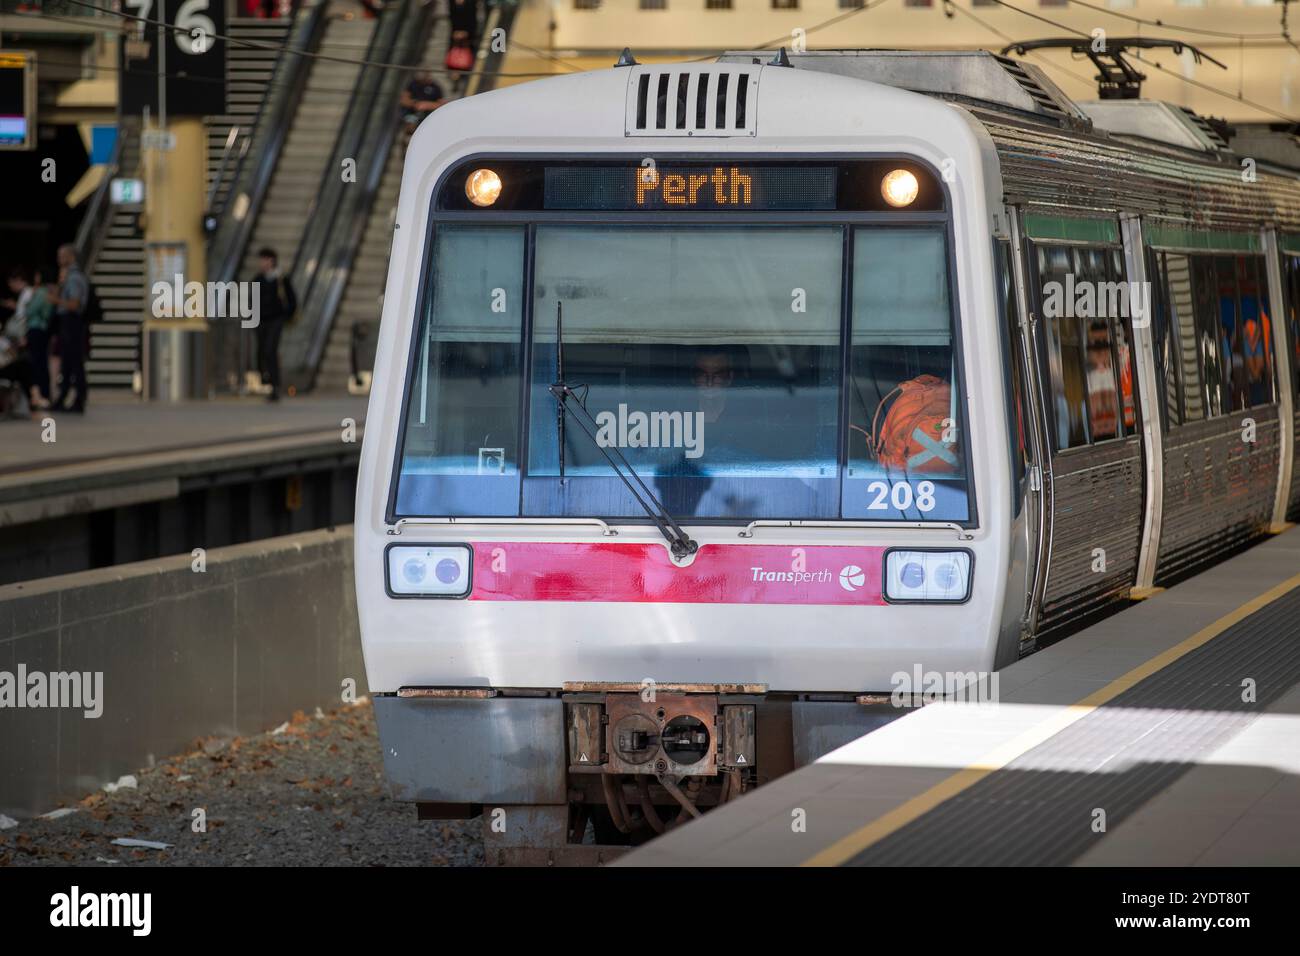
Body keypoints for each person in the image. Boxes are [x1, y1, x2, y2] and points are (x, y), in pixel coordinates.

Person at [0, 267, 52, 409]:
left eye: (12, 283)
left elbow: (26, 314)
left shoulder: (33, 293)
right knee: (30, 365)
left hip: (32, 332)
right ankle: (36, 397)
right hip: (29, 333)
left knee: (33, 364)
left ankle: (38, 396)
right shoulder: (32, 293)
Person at [46, 245, 89, 413]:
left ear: (71, 257)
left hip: (73, 322)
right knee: (68, 362)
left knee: (74, 361)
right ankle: (64, 397)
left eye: (62, 255)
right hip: (67, 323)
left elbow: (74, 304)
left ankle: (78, 398)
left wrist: (55, 300)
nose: (59, 259)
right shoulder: (67, 277)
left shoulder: (75, 278)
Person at [253, 247, 296, 402]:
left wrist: (285, 315)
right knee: (262, 351)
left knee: (271, 349)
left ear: (271, 261)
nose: (261, 263)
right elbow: (251, 299)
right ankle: (267, 378)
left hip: (276, 320)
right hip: (261, 321)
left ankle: (275, 386)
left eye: (264, 259)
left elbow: (292, 300)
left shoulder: (281, 279)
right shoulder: (258, 279)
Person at [400, 69, 446, 133]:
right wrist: (414, 104)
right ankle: (408, 134)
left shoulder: (436, 88)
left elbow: (442, 105)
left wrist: (427, 105)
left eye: (426, 76)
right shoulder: (413, 84)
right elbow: (403, 100)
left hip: (428, 115)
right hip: (412, 112)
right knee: (410, 120)